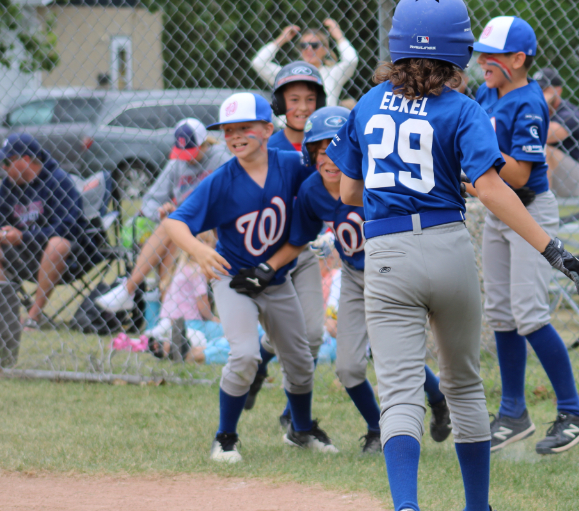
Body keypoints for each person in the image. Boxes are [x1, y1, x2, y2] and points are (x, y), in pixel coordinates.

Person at [326, 0, 579, 511]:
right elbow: (494, 189)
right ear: (460, 51)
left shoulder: (365, 104)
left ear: (397, 45)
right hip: (447, 248)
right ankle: (478, 508)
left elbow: (348, 193)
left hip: (386, 254)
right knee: (465, 386)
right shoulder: (464, 108)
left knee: (402, 394)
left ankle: (407, 505)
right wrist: (553, 250)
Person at [255, 107, 453, 455]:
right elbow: (298, 239)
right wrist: (266, 268)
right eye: (320, 150)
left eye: (337, 148)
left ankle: (437, 399)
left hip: (392, 271)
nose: (331, 158)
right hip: (354, 276)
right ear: (310, 153)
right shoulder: (313, 190)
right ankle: (378, 428)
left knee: (395, 354)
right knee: (347, 368)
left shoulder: (375, 177)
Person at [164, 92, 335, 463]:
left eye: (245, 128)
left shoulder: (291, 164)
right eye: (228, 131)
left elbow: (327, 171)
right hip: (233, 278)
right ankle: (224, 438)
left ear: (267, 128)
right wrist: (199, 250)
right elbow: (174, 222)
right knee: (243, 355)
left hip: (276, 280)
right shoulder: (222, 180)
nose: (236, 136)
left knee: (302, 362)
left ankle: (301, 430)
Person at [472, 17, 579, 455]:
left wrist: (476, 162)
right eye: (481, 53)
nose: (482, 61)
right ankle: (512, 413)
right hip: (496, 209)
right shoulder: (487, 92)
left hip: (528, 208)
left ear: (518, 59)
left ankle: (574, 412)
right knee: (501, 314)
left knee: (529, 314)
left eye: (493, 55)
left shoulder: (528, 102)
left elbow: (522, 175)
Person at [243, 62, 325, 435]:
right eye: (294, 99)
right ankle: (261, 369)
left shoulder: (324, 142)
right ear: (279, 103)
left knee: (309, 336)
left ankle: (293, 413)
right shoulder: (270, 146)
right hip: (270, 255)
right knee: (286, 334)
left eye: (310, 99)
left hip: (303, 250)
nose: (303, 107)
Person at [96, 119, 232, 313]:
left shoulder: (220, 158)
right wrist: (161, 211)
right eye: (182, 153)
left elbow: (227, 197)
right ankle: (167, 313)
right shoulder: (177, 164)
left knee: (172, 226)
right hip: (183, 225)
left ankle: (130, 291)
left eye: (191, 152)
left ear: (203, 145)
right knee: (171, 227)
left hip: (211, 225)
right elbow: (151, 199)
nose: (186, 159)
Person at [0, 134, 96, 343]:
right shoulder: (7, 187)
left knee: (57, 244)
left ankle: (34, 316)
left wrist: (24, 236)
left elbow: (68, 227)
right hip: (23, 255)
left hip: (67, 259)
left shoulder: (59, 181)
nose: (3, 168)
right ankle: (7, 316)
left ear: (25, 160)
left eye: (7, 162)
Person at [250, 20, 358, 107]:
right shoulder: (289, 73)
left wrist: (339, 37)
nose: (309, 49)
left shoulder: (332, 73)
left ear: (325, 49)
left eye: (314, 45)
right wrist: (281, 40)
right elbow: (259, 62)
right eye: (304, 45)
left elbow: (351, 60)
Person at [536, 67, 579, 198]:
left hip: (577, 178)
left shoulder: (569, 112)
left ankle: (542, 200)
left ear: (558, 91)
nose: (539, 94)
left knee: (543, 149)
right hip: (551, 175)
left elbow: (543, 136)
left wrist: (539, 107)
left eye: (544, 90)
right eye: (536, 89)